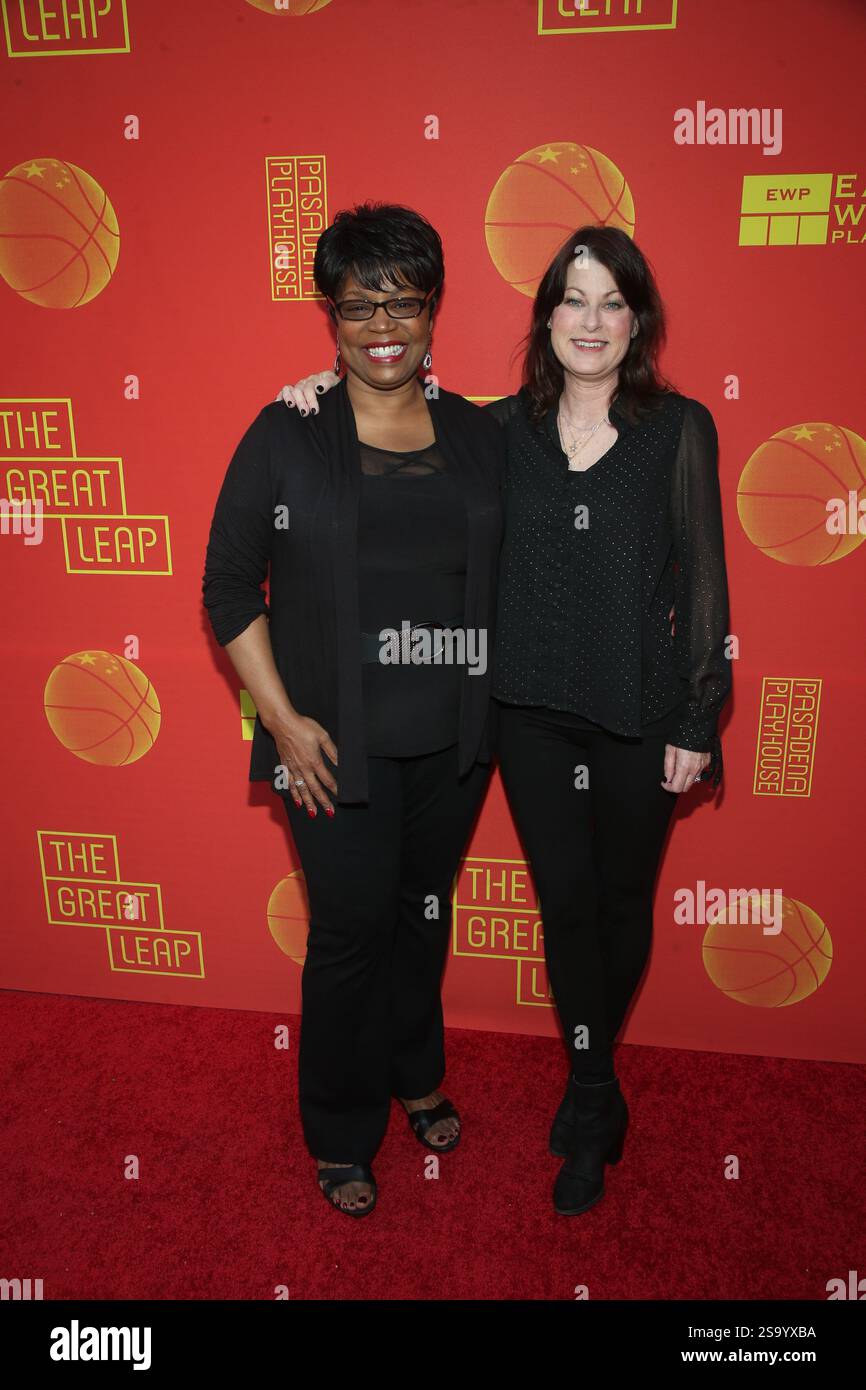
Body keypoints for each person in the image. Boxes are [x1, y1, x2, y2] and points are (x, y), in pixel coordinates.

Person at [275, 223, 732, 1216]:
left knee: (620, 909)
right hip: (525, 712)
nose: (591, 320)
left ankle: (589, 1082)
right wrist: (310, 403)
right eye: (573, 298)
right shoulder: (499, 429)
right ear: (546, 315)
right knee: (564, 908)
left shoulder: (676, 427)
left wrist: (698, 715)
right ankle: (593, 1092)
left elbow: (702, 583)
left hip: (638, 713)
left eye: (612, 301)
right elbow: (393, 439)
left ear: (636, 320)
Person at [202, 202, 504, 1215]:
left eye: (403, 301)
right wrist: (281, 723)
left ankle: (414, 1072)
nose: (382, 324)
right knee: (347, 934)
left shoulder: (473, 431)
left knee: (422, 920)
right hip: (329, 743)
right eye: (357, 304)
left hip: (451, 744)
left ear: (433, 310)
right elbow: (228, 589)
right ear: (328, 315)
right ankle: (338, 1126)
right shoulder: (286, 434)